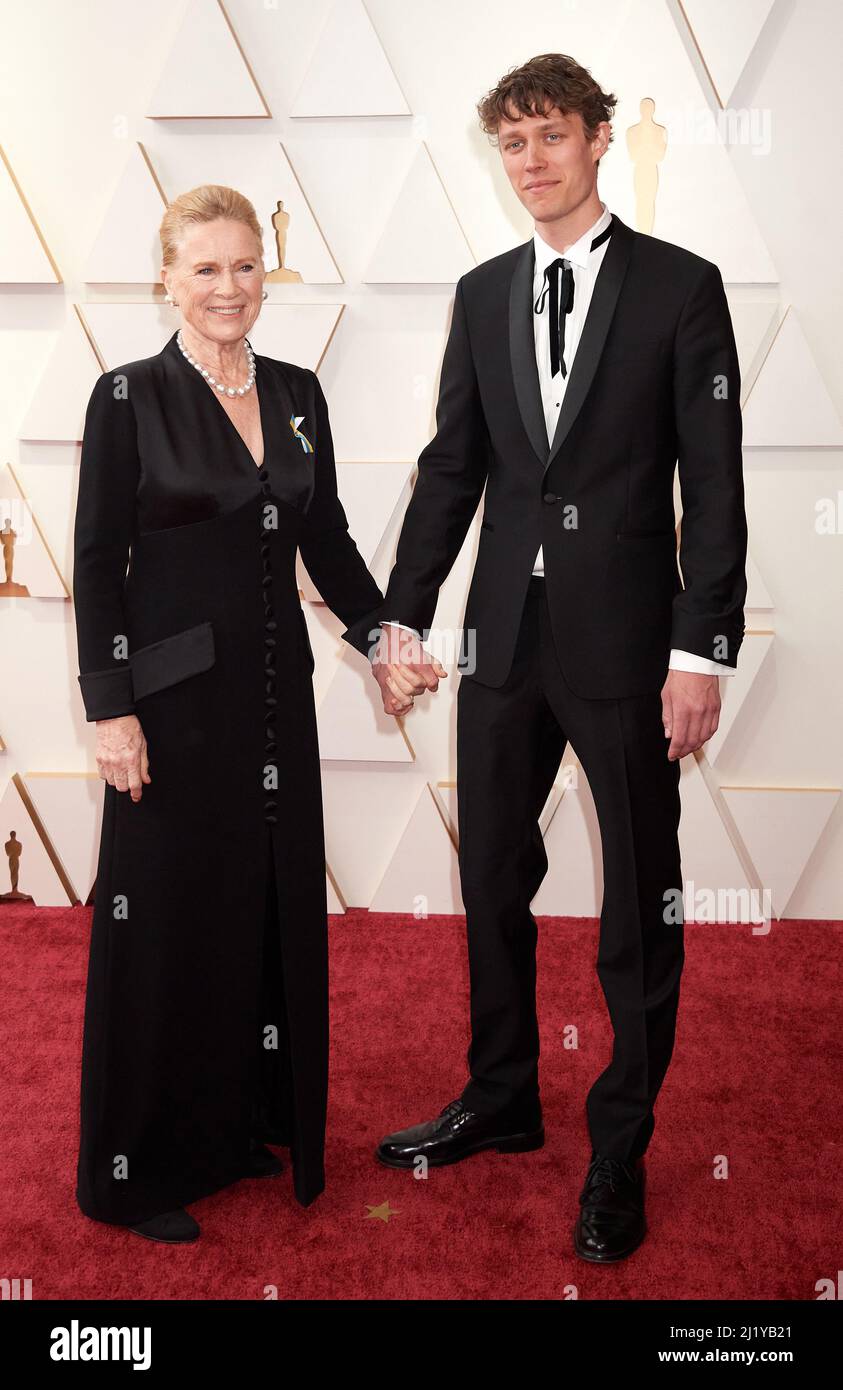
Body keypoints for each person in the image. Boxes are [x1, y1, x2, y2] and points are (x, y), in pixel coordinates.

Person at [342, 54, 748, 1262]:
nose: (531, 162)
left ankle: (619, 1145)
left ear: (598, 138)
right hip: (502, 642)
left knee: (637, 902)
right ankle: (504, 1097)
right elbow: (452, 470)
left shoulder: (682, 288)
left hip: (631, 645)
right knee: (490, 884)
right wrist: (401, 621)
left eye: (551, 136)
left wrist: (700, 648)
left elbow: (712, 488)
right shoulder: (479, 295)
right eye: (511, 143)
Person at [73, 184, 399, 1243]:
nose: (228, 287)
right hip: (167, 714)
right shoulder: (127, 399)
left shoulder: (301, 392)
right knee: (163, 931)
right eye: (204, 268)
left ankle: (234, 1128)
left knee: (257, 918)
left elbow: (330, 539)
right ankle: (132, 1172)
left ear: (269, 273)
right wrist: (110, 709)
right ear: (166, 278)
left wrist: (382, 638)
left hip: (271, 707)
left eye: (245, 266)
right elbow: (96, 565)